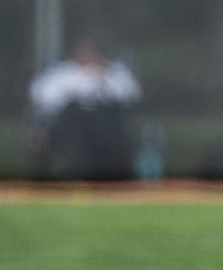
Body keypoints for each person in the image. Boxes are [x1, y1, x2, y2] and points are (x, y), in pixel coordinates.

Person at [29, 36, 140, 181]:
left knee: (106, 120)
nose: (86, 54)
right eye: (82, 50)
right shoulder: (63, 74)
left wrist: (105, 76)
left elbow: (131, 94)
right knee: (76, 116)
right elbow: (42, 96)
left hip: (106, 125)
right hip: (71, 124)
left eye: (89, 50)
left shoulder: (112, 71)